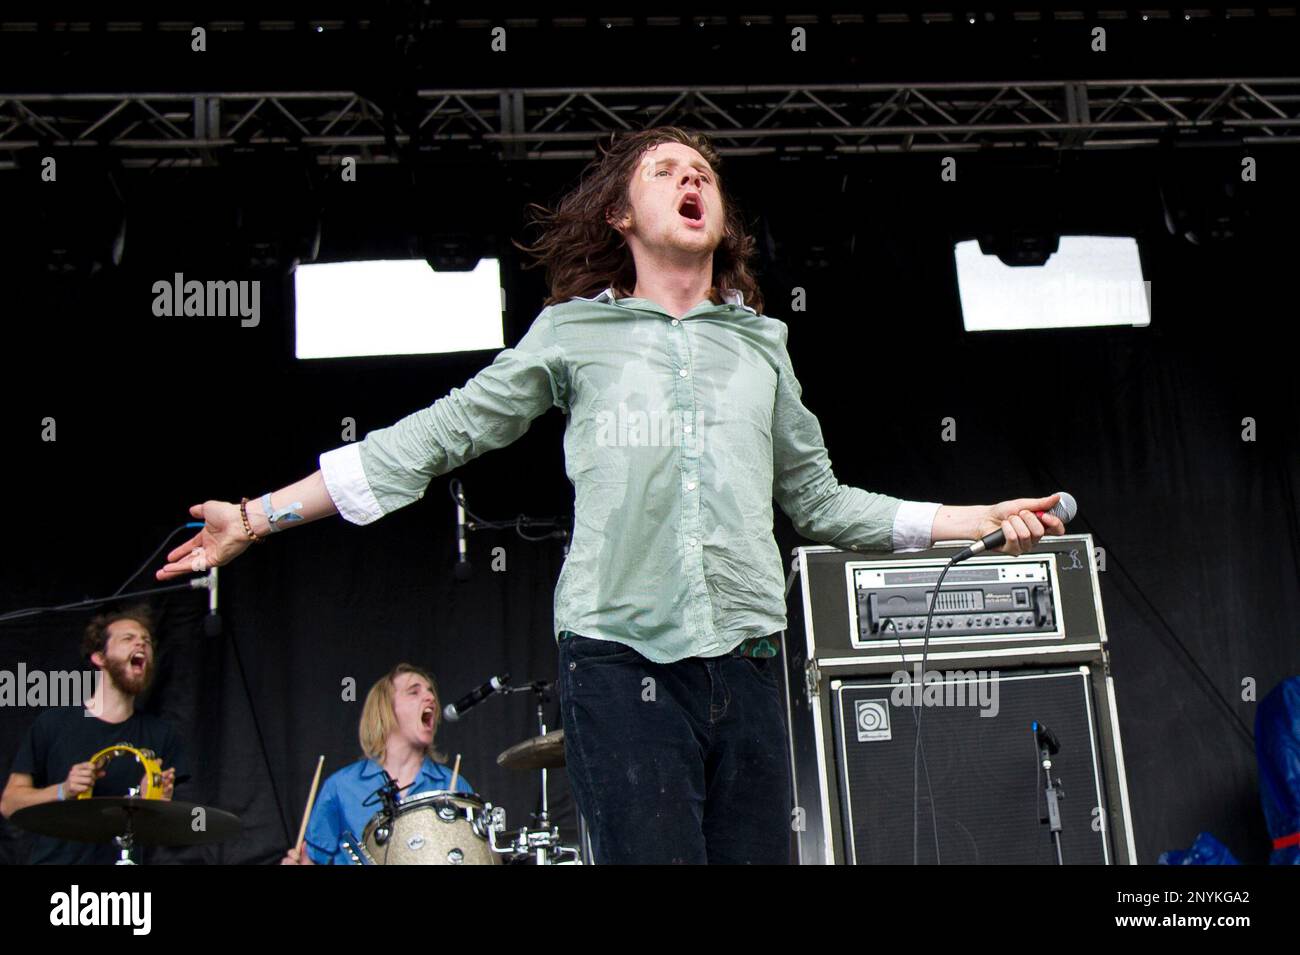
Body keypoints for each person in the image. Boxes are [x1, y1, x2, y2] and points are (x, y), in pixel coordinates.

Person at [156, 125, 1064, 864]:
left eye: (703, 171)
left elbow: (821, 501)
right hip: (620, 663)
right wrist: (263, 513)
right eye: (666, 169)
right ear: (624, 218)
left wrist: (967, 520)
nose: (691, 178)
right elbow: (441, 433)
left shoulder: (762, 347)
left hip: (746, 662)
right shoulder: (573, 333)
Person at [1, 604, 184, 864]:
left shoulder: (162, 734)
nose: (141, 645)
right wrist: (63, 790)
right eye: (128, 639)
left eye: (146, 641)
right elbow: (9, 804)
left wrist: (151, 804)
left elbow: (170, 833)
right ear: (99, 657)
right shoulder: (54, 723)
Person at [281, 663, 473, 865]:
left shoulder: (455, 786)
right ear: (385, 709)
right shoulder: (340, 787)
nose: (431, 698)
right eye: (413, 692)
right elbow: (312, 860)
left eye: (430, 692)